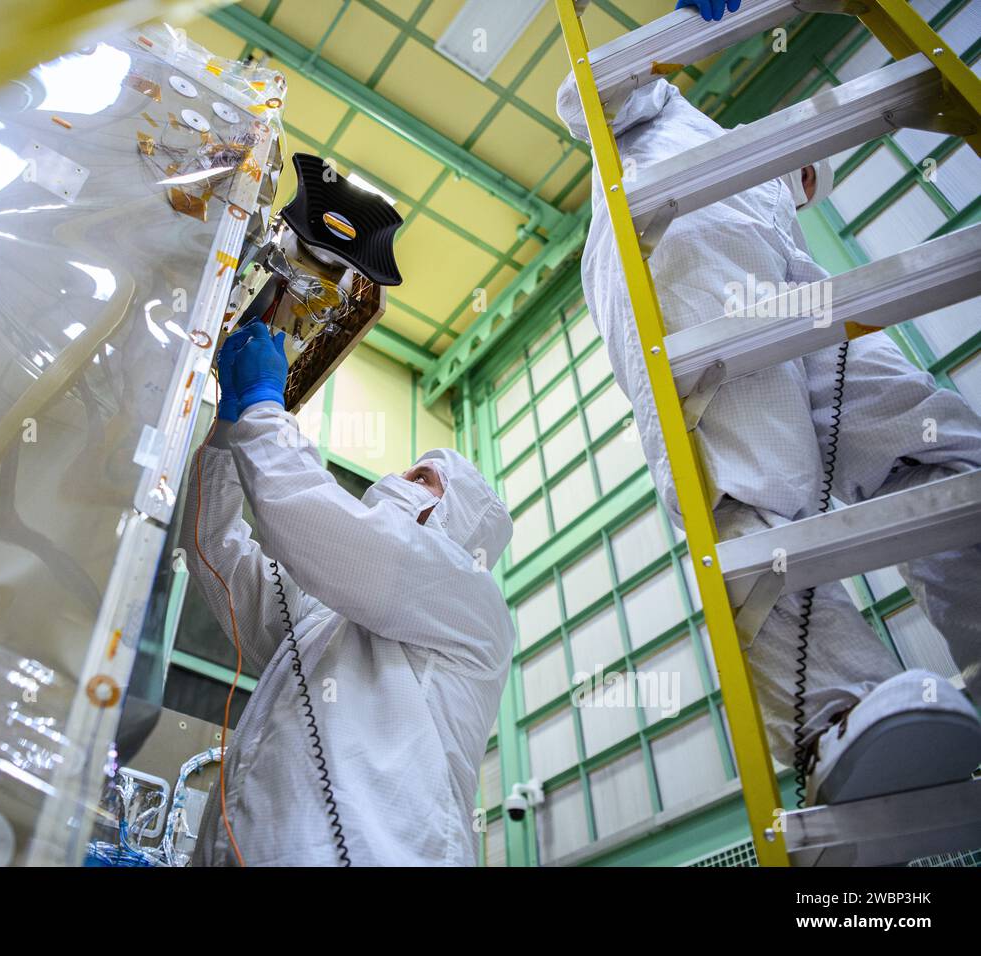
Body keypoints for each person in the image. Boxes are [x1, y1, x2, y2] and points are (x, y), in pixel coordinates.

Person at [555, 4, 981, 807]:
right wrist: (690, 28)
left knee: (928, 444)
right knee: (755, 482)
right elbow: (585, 99)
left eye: (812, 176)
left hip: (783, 274)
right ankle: (836, 715)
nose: (807, 175)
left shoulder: (779, 204)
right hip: (680, 241)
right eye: (806, 165)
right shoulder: (681, 130)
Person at [180, 321, 515, 865]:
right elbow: (212, 548)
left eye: (421, 476)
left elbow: (306, 514)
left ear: (452, 519)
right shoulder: (321, 623)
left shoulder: (467, 600)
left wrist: (266, 408)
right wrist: (226, 430)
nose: (398, 477)